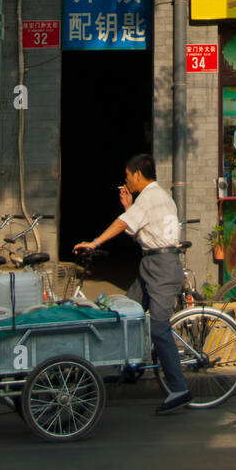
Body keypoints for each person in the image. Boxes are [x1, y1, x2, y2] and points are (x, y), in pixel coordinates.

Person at [74, 153, 191, 414]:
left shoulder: (150, 197)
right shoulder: (157, 197)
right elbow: (141, 231)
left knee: (158, 327)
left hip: (162, 268)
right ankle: (130, 369)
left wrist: (94, 242)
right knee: (126, 311)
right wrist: (129, 206)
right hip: (151, 265)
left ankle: (179, 388)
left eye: (127, 176)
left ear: (138, 174)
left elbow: (123, 224)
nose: (125, 181)